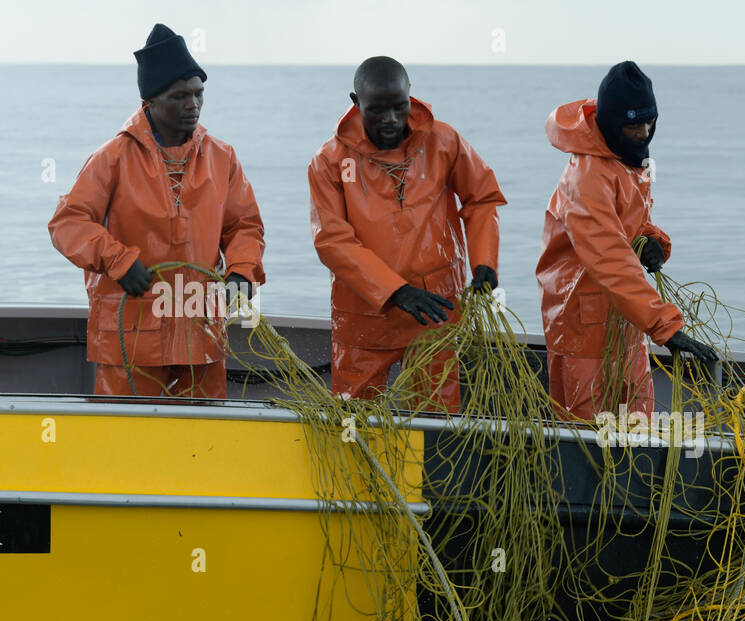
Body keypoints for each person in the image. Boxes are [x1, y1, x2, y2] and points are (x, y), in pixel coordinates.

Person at [48, 23, 264, 398]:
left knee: (204, 440)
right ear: (150, 101)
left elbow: (244, 226)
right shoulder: (111, 158)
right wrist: (118, 261)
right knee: (126, 440)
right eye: (180, 96)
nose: (192, 105)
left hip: (201, 329)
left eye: (198, 94)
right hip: (131, 334)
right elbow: (67, 223)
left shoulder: (222, 156)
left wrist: (242, 270)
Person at [308, 56, 505, 411]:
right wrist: (396, 291)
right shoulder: (329, 161)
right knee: (356, 421)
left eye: (399, 108)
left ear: (410, 97)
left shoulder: (444, 141)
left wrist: (485, 262)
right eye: (377, 110)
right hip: (364, 316)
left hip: (435, 312)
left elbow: (482, 199)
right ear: (355, 102)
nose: (390, 120)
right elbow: (332, 241)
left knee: (437, 421)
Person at [537, 60, 716, 423]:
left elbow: (632, 223)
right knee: (585, 436)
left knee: (639, 424)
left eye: (650, 123)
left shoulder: (628, 158)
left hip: (628, 319)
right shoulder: (586, 177)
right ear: (610, 123)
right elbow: (609, 258)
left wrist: (651, 240)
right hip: (581, 326)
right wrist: (665, 325)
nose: (644, 133)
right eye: (634, 126)